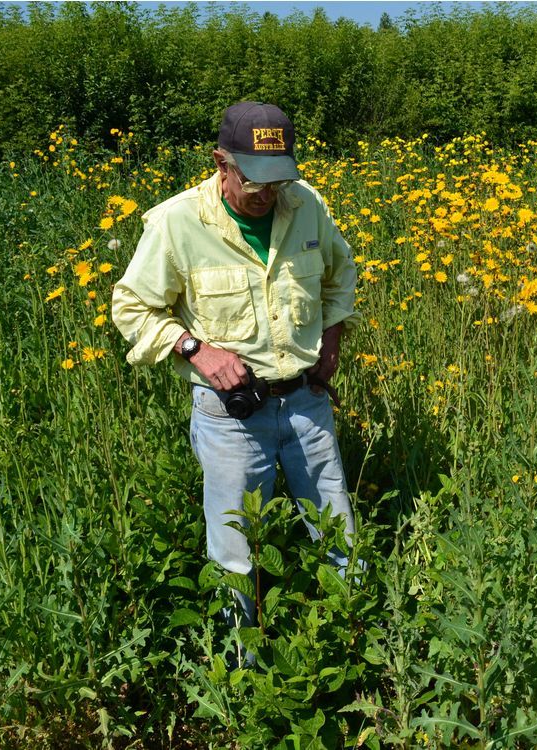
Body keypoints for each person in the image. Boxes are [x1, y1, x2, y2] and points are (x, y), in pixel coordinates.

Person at [111, 102, 360, 634]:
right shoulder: (177, 222)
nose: (267, 193)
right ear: (221, 162)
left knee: (339, 537)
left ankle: (358, 647)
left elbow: (340, 278)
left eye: (278, 179)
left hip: (307, 403)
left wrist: (332, 342)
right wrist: (194, 349)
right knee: (236, 555)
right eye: (254, 180)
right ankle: (241, 669)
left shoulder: (307, 206)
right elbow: (131, 307)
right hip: (230, 417)